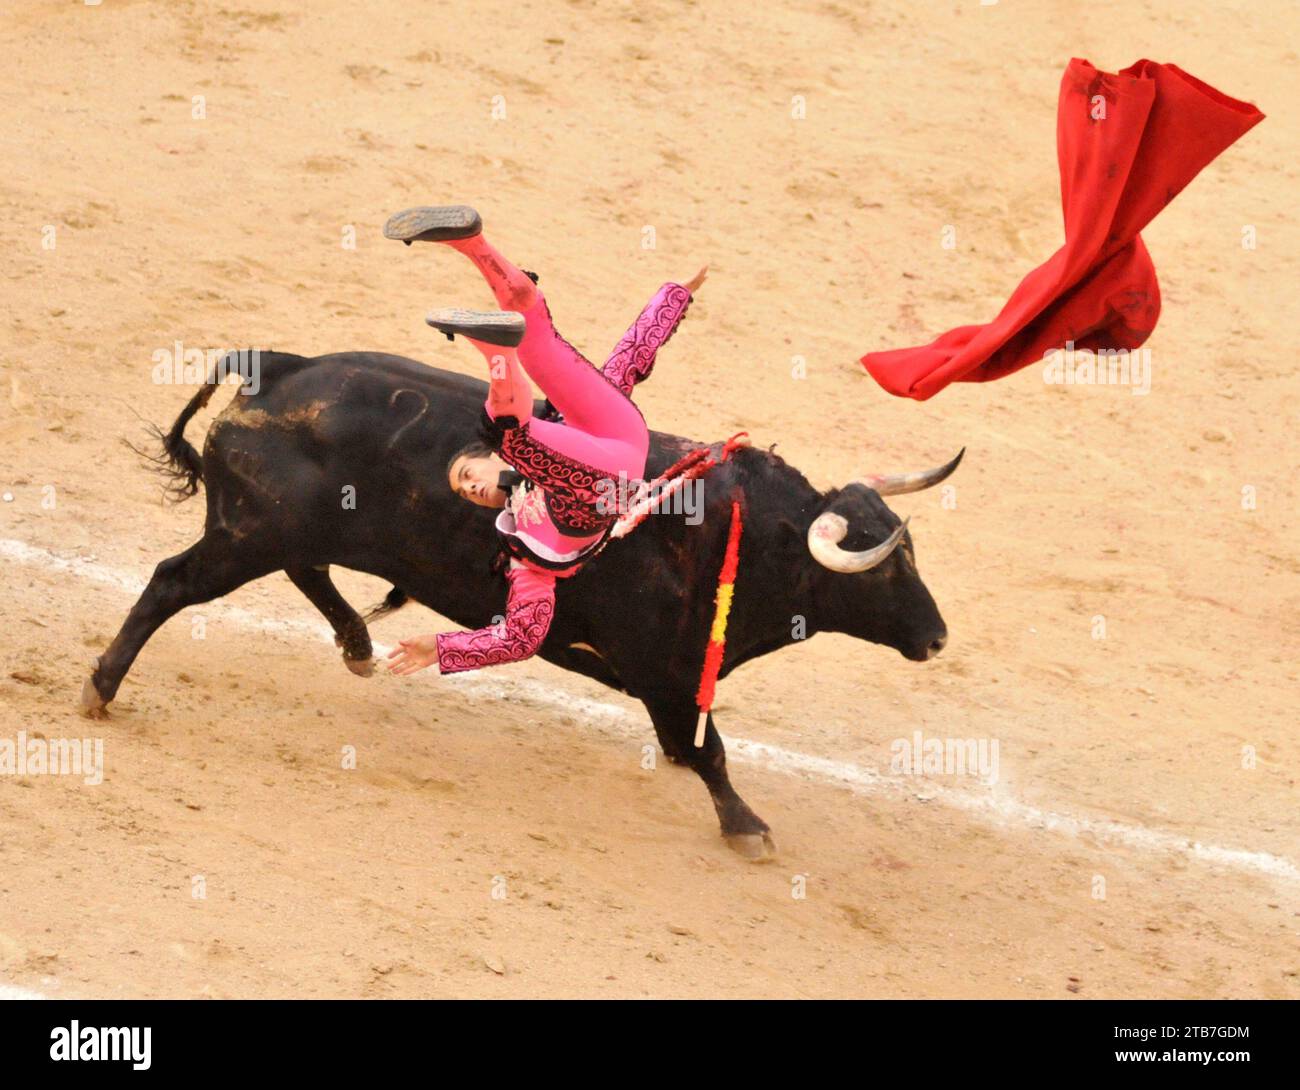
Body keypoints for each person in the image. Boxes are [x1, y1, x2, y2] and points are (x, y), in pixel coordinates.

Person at [380, 204, 705, 675]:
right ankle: (495, 346)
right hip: (606, 481)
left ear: (487, 461)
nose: (470, 487)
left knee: (540, 345)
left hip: (611, 433)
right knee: (519, 427)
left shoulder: (541, 435)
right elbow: (521, 638)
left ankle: (473, 246)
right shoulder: (526, 558)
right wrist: (442, 648)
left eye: (467, 474)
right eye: (464, 492)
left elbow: (630, 357)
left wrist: (675, 295)